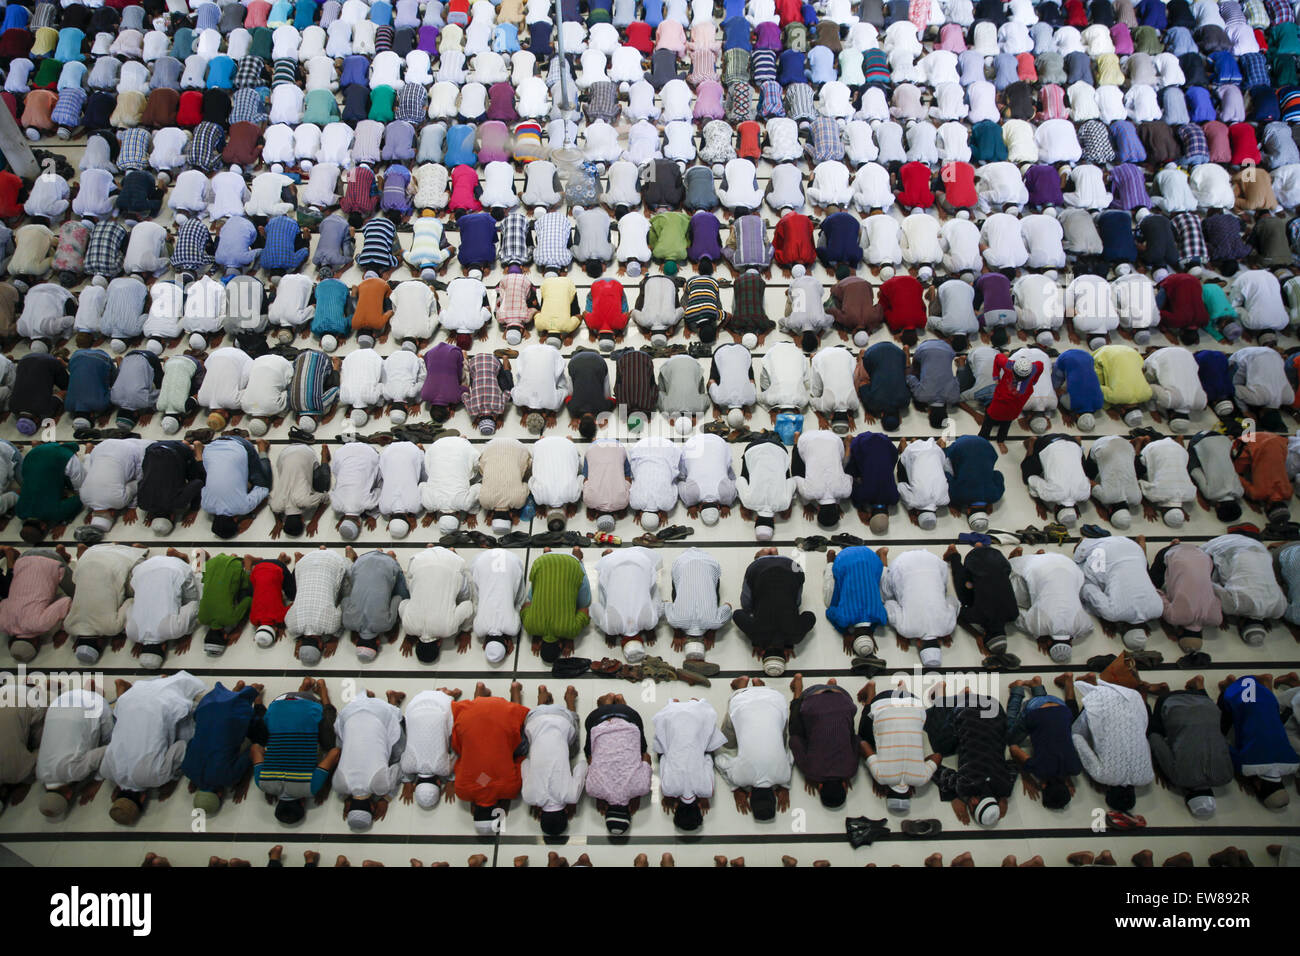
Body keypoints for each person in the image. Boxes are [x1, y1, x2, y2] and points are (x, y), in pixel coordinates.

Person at [99, 671, 207, 825]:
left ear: (143, 798)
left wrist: (173, 777)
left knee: (189, 737)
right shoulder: (107, 771)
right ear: (116, 794)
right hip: (130, 699)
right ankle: (152, 683)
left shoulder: (155, 778)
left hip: (165, 701)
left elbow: (182, 747)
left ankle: (165, 683)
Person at [251, 678, 341, 826]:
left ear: (302, 803)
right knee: (262, 736)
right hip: (278, 703)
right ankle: (258, 700)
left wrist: (325, 783)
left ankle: (323, 693)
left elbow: (335, 753)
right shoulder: (263, 784)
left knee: (330, 744)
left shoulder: (310, 788)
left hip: (311, 703)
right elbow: (255, 749)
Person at [925, 680, 1014, 827]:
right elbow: (932, 765)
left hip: (994, 707)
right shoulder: (965, 785)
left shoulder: (1005, 785)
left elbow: (1014, 765)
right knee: (940, 746)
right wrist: (954, 796)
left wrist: (1004, 796)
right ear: (973, 803)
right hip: (965, 709)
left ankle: (968, 695)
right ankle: (940, 695)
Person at [1072, 670, 1155, 827]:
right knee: (1076, 731)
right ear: (1108, 792)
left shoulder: (1146, 777)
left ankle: (1104, 683)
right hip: (1101, 702)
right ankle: (1091, 684)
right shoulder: (1104, 776)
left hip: (1133, 699)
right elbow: (1077, 739)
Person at [1146, 675, 1234, 819]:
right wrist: (1158, 766)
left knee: (1212, 726)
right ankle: (1164, 693)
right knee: (1154, 732)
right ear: (1188, 797)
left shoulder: (1226, 777)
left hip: (1206, 702)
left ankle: (1199, 686)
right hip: (1171, 702)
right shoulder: (1180, 778)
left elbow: (1224, 744)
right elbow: (1156, 740)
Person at [451, 680, 529, 835]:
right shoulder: (461, 791)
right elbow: (460, 761)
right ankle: (479, 693)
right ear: (473, 811)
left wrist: (505, 795)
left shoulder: (510, 789)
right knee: (468, 743)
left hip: (505, 714)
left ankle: (515, 691)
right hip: (469, 714)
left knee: (522, 749)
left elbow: (520, 761)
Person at [34, 679, 115, 820]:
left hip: (92, 706)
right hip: (59, 703)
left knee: (111, 739)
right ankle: (87, 691)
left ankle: (94, 696)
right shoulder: (40, 774)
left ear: (69, 795)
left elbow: (107, 751)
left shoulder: (74, 772)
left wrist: (97, 780)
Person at [714, 676, 792, 821]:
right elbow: (719, 759)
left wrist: (785, 786)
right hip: (740, 702)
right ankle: (741, 688)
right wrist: (735, 788)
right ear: (749, 796)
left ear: (774, 796)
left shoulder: (784, 776)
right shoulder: (740, 779)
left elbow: (790, 756)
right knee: (726, 744)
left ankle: (759, 686)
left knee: (781, 738)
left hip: (776, 698)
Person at [182, 680, 264, 816]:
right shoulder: (188, 770)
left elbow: (252, 751)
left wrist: (244, 780)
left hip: (236, 714)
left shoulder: (227, 779)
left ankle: (253, 693)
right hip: (206, 706)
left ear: (220, 794)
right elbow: (191, 743)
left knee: (262, 737)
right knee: (217, 722)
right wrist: (195, 778)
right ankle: (234, 693)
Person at [1219, 673, 1299, 810]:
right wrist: (1241, 777)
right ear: (1258, 786)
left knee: (1267, 715)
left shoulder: (1293, 764)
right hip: (1240, 695)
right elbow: (1224, 747)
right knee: (1222, 730)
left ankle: (1265, 683)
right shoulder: (1247, 767)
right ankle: (1229, 684)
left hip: (1269, 699)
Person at [733, 547, 817, 676]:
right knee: (747, 607)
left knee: (795, 603)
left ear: (784, 654)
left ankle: (774, 557)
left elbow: (810, 616)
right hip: (758, 568)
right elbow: (737, 614)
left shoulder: (795, 636)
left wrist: (790, 642)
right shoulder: (755, 634)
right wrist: (755, 640)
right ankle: (765, 557)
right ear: (762, 653)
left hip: (793, 567)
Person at [859, 678, 938, 815]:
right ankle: (871, 691)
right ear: (887, 792)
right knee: (863, 735)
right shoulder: (881, 777)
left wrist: (916, 771)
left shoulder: (921, 779)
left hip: (915, 702)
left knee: (908, 721)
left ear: (909, 793)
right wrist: (877, 776)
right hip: (882, 701)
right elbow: (863, 744)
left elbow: (937, 756)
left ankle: (903, 688)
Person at [334, 689, 406, 831]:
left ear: (372, 807)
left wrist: (386, 798)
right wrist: (345, 798)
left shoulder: (380, 787)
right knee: (343, 744)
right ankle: (365, 699)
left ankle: (393, 701)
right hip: (348, 713)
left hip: (383, 713)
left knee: (398, 754)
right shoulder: (339, 786)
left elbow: (400, 768)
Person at [1006, 675, 1081, 811]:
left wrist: (1066, 777)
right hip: (1035, 709)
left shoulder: (1075, 769)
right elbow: (1013, 749)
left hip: (1060, 706)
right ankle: (1017, 690)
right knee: (1010, 737)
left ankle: (1036, 686)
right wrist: (1026, 775)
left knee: (1051, 720)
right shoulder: (1040, 770)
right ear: (1044, 786)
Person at [521, 684, 587, 836]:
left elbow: (582, 766)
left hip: (563, 718)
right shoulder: (529, 797)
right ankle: (542, 698)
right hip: (534, 718)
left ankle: (570, 696)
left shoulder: (571, 796)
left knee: (573, 750)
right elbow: (525, 764)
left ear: (566, 813)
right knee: (535, 740)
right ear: (540, 816)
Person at [584, 691, 653, 835]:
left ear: (629, 811)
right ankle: (607, 705)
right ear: (607, 811)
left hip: (629, 717)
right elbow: (591, 761)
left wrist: (637, 792)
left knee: (641, 748)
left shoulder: (641, 789)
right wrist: (599, 795)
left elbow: (646, 757)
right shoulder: (593, 790)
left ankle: (620, 702)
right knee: (590, 753)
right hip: (597, 720)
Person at [653, 696, 726, 832]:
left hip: (697, 718)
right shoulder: (668, 790)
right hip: (671, 719)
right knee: (662, 748)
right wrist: (667, 796)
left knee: (707, 747)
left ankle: (695, 704)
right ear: (676, 809)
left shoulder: (706, 790)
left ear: (698, 808)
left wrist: (704, 797)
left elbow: (708, 761)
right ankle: (673, 706)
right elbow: (663, 760)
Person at [880, 546, 960, 669]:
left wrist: (948, 625)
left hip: (933, 560)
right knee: (885, 596)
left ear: (939, 642)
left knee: (941, 590)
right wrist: (899, 629)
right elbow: (890, 605)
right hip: (901, 564)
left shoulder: (947, 627)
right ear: (918, 643)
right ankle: (882, 557)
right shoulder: (906, 630)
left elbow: (952, 601)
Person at [787, 673, 858, 809]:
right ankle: (797, 689)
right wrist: (809, 773)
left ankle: (832, 685)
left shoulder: (850, 770)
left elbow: (856, 740)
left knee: (846, 730)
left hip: (843, 697)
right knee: (795, 731)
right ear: (819, 788)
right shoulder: (811, 770)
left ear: (844, 786)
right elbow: (794, 741)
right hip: (810, 697)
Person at [124, 549, 201, 670]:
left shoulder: (173, 632)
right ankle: (174, 559)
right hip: (143, 569)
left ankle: (198, 559)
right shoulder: (132, 633)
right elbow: (130, 608)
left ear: (164, 648)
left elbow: (194, 606)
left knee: (198, 597)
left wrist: (187, 632)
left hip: (177, 568)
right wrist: (138, 640)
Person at [399, 545, 474, 664]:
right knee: (412, 587)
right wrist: (409, 632)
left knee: (465, 596)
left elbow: (468, 605)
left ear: (439, 643)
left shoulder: (447, 630)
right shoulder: (408, 627)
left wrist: (466, 631)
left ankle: (449, 553)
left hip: (452, 563)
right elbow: (403, 604)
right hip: (419, 560)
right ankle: (432, 550)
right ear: (417, 643)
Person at [0, 545, 75, 663]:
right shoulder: (4, 624)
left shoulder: (39, 625)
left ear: (35, 644)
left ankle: (60, 557)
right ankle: (62, 556)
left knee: (77, 595)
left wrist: (63, 629)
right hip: (23, 558)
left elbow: (67, 602)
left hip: (50, 559)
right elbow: (4, 602)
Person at [590, 546, 663, 662]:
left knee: (649, 587)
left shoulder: (650, 623)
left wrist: (650, 628)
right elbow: (594, 608)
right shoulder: (610, 628)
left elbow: (657, 599)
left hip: (642, 560)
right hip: (611, 566)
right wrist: (607, 627)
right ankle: (608, 557)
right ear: (622, 643)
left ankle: (610, 556)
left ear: (642, 641)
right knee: (605, 593)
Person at [520, 546, 591, 663]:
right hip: (541, 562)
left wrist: (570, 634)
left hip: (572, 564)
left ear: (560, 646)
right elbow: (526, 605)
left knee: (584, 602)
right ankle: (547, 553)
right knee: (533, 597)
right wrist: (536, 633)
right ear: (541, 644)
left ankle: (576, 556)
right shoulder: (530, 627)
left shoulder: (571, 630)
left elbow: (585, 610)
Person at [285, 547, 352, 665]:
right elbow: (290, 609)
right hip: (304, 564)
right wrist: (298, 637)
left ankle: (349, 556)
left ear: (321, 644)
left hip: (333, 561)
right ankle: (314, 553)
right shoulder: (292, 626)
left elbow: (343, 607)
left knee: (350, 590)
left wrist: (335, 638)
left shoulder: (330, 627)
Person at [198, 436, 272, 540]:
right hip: (211, 446)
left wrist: (250, 515)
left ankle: (262, 448)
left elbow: (263, 490)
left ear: (235, 520)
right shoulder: (206, 506)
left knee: (265, 483)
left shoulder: (243, 508)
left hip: (241, 445)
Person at [342, 548, 409, 663]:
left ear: (377, 642)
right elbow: (345, 600)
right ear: (357, 640)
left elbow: (397, 599)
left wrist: (394, 620)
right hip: (361, 561)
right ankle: (379, 554)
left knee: (404, 596)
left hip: (388, 564)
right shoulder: (348, 623)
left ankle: (390, 557)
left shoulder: (385, 625)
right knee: (354, 587)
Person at [398, 688, 460, 811]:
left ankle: (447, 695)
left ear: (438, 783)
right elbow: (402, 764)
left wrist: (450, 780)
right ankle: (441, 694)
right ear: (416, 785)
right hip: (415, 703)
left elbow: (458, 756)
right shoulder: (407, 767)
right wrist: (407, 781)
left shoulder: (444, 770)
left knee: (453, 735)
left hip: (444, 705)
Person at [822, 545, 887, 661]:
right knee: (828, 602)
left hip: (869, 556)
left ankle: (881, 556)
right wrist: (845, 633)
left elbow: (876, 622)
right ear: (853, 637)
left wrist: (871, 630)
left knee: (883, 594)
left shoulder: (881, 618)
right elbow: (829, 612)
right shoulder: (844, 619)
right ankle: (830, 561)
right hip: (843, 558)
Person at [979, 352, 1043, 448]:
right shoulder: (1034, 368)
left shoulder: (1009, 365)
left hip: (1007, 406)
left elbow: (998, 357)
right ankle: (991, 440)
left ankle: (993, 440)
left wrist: (996, 377)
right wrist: (1034, 380)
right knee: (1003, 422)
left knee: (991, 421)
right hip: (1011, 407)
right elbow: (1040, 365)